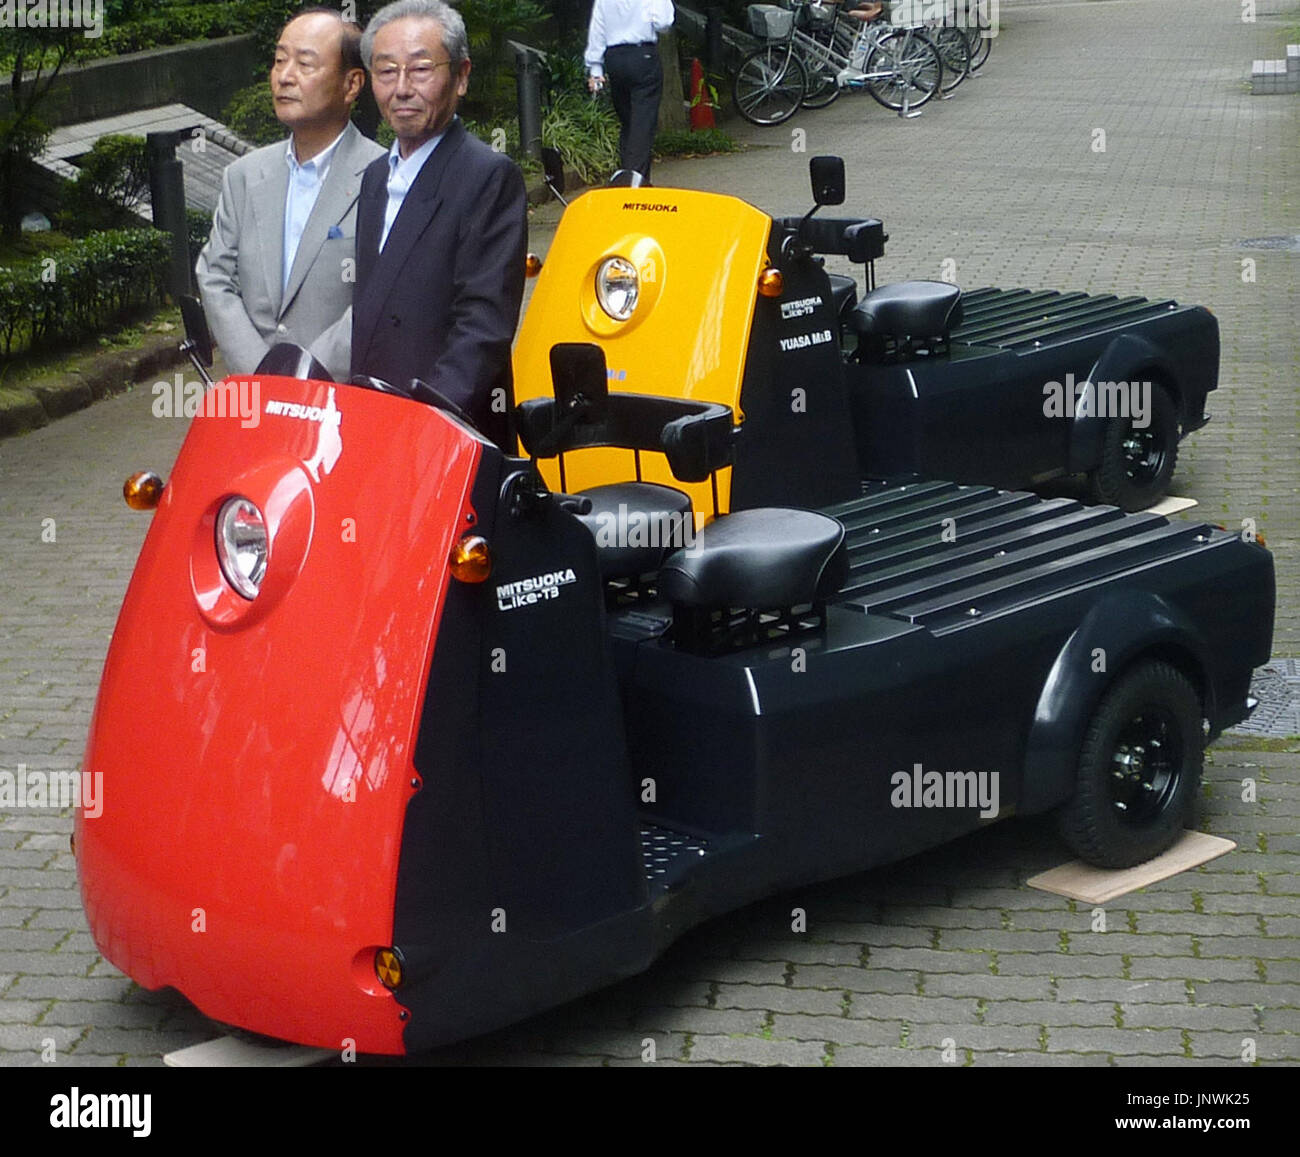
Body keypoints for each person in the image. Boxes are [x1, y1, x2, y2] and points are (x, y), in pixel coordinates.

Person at [346, 0, 527, 447]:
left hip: (447, 433)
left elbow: (483, 327)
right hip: (373, 422)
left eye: (421, 70)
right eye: (386, 72)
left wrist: (422, 423)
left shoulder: (487, 175)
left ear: (461, 75)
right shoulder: (374, 177)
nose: (402, 88)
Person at [196, 8, 385, 380]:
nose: (284, 76)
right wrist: (262, 372)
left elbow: (380, 294)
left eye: (305, 64)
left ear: (352, 84)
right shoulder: (244, 176)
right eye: (280, 60)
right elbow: (216, 276)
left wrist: (305, 376)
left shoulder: (384, 178)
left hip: (344, 399)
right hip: (257, 397)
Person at [585, 0, 675, 185]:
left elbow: (597, 28)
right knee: (642, 125)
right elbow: (663, 23)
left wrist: (595, 68)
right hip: (642, 55)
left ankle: (628, 175)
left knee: (628, 123)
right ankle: (633, 181)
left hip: (615, 58)